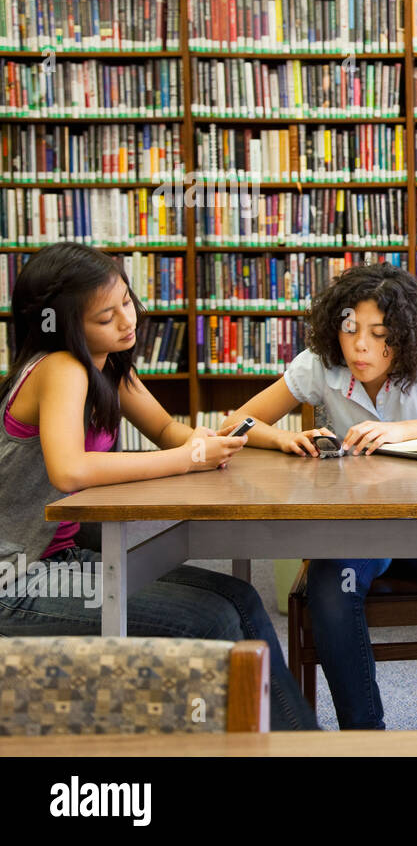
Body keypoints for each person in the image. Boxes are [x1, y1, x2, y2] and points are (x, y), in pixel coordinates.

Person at [0, 242, 316, 730]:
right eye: (106, 316)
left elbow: (170, 433)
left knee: (241, 599)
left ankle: (298, 742)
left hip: (55, 559)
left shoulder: (106, 364)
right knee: (211, 620)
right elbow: (70, 471)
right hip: (15, 577)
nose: (127, 321)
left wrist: (263, 438)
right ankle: (285, 743)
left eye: (126, 301)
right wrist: (188, 459)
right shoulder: (60, 368)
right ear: (62, 325)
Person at [218, 262, 417, 729]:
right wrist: (278, 439)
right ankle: (364, 735)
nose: (361, 346)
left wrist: (400, 430)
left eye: (380, 334)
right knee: (330, 586)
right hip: (358, 530)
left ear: (405, 334)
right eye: (350, 329)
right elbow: (235, 425)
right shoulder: (317, 364)